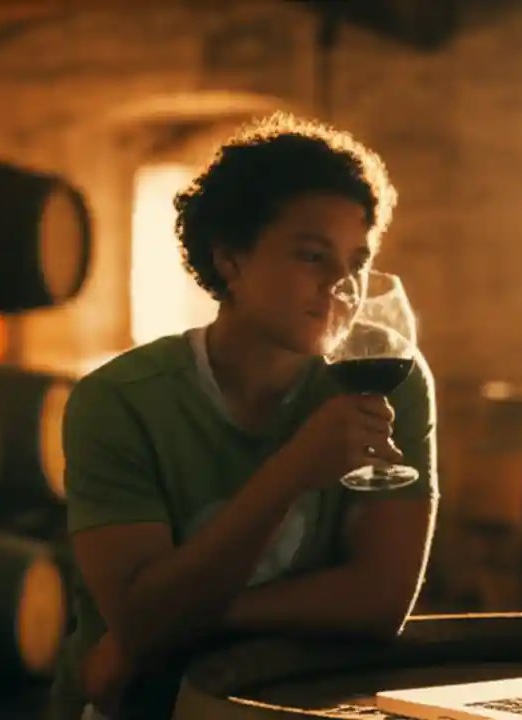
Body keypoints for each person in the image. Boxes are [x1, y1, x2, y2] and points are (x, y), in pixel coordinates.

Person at [48, 112, 440, 720]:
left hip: (305, 703)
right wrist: (292, 472)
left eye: (357, 262)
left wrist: (166, 625)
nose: (343, 286)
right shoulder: (119, 402)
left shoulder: (394, 377)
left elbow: (380, 600)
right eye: (313, 256)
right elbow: (141, 616)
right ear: (230, 259)